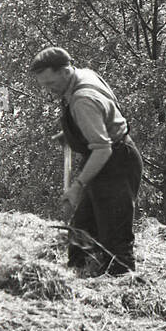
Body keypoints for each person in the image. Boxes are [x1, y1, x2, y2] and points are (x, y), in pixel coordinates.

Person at [29, 46, 143, 274]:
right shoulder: (84, 74)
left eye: (51, 83)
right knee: (81, 234)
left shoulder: (82, 100)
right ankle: (78, 286)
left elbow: (102, 148)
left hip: (115, 164)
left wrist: (78, 186)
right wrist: (74, 133)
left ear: (65, 71)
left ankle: (122, 293)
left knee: (114, 241)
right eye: (43, 85)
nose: (49, 90)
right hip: (109, 159)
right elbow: (104, 114)